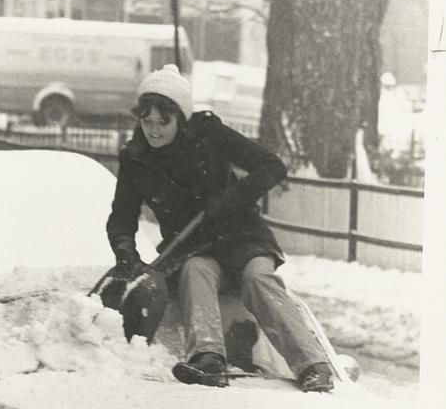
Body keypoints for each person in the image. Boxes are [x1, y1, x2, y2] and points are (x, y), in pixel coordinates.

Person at [106, 64, 334, 392]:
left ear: (180, 119)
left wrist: (230, 199)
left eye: (163, 121)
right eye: (147, 121)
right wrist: (124, 250)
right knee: (195, 272)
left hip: (242, 235)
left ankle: (313, 365)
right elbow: (122, 216)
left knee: (257, 279)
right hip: (193, 248)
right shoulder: (136, 160)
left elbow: (272, 166)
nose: (154, 130)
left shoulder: (210, 136)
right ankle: (208, 359)